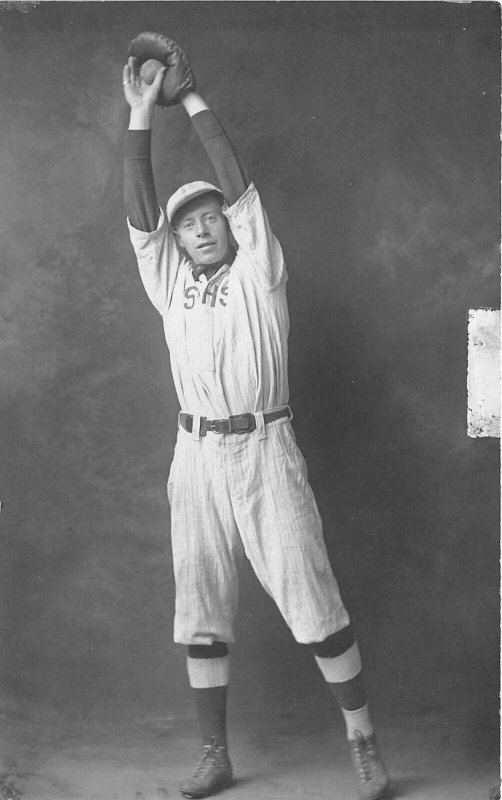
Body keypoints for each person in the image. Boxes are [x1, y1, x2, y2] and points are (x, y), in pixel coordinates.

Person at [122, 54, 390, 800]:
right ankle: (216, 752)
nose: (201, 227)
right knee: (200, 607)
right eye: (189, 224)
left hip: (267, 447)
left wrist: (195, 98)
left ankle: (363, 741)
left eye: (210, 216)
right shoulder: (172, 285)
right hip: (196, 453)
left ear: (231, 226)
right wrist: (142, 109)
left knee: (313, 599)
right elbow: (142, 214)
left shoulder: (258, 272)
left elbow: (235, 182)